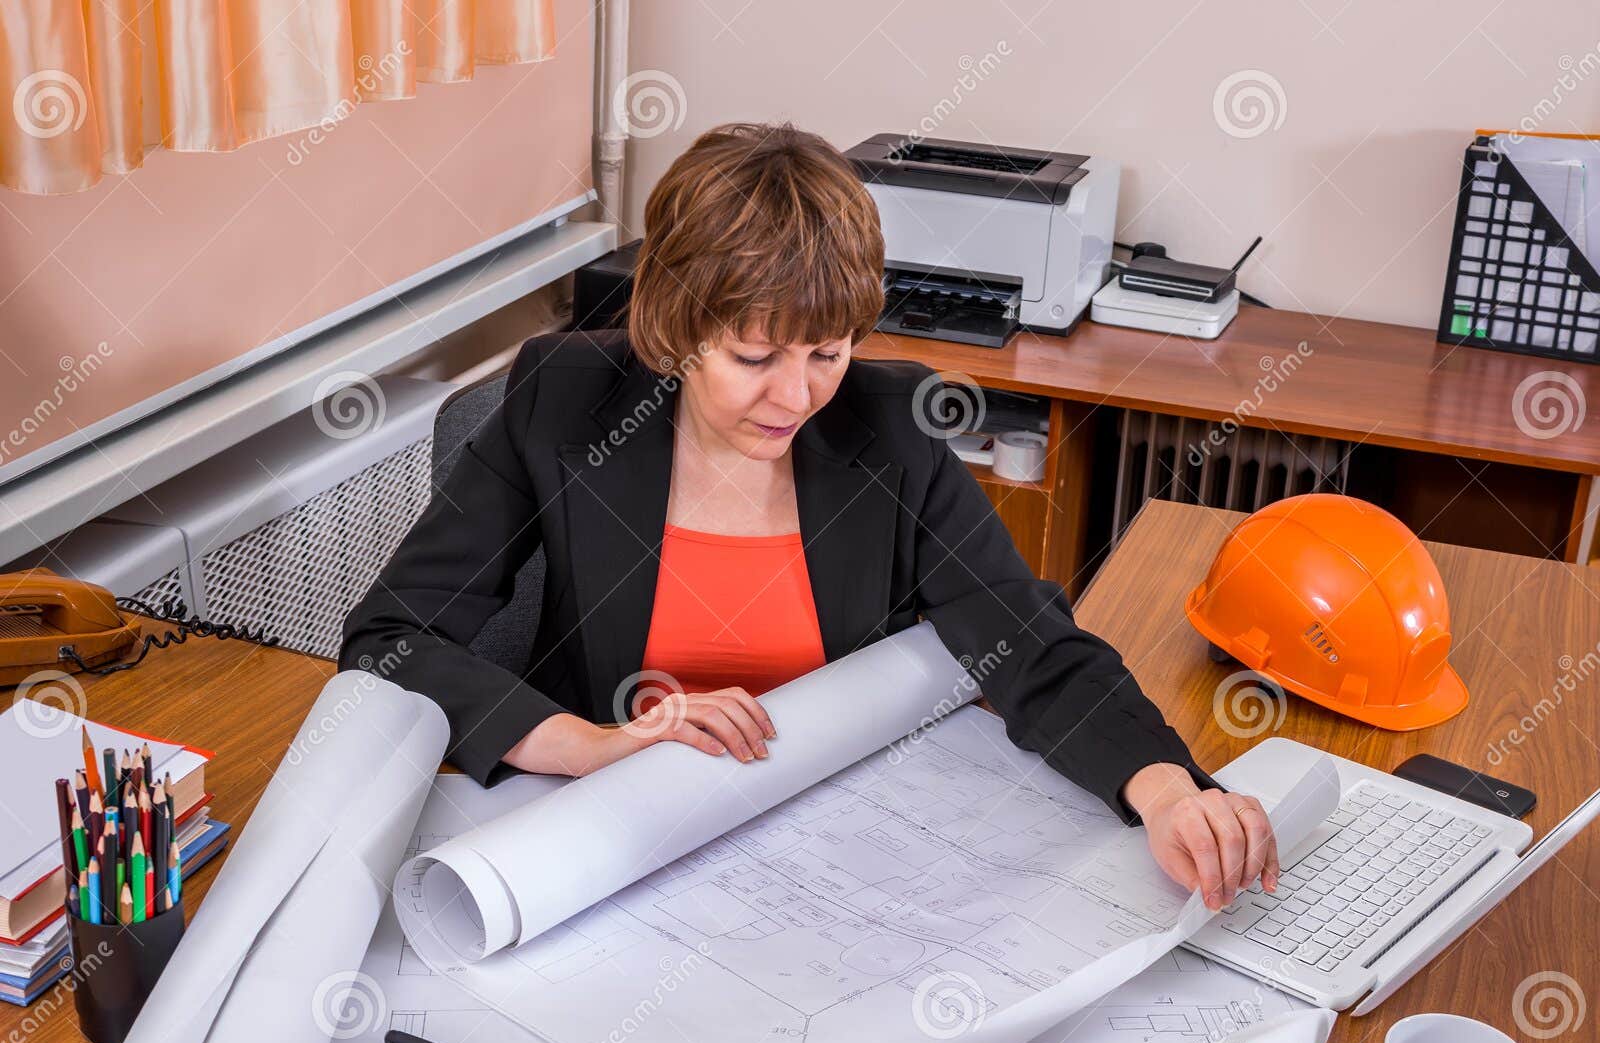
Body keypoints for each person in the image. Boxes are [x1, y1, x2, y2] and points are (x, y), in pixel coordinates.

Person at [340, 122, 1278, 911]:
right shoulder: (564, 398)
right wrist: (591, 744)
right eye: (755, 357)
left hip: (835, 857)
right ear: (677, 326)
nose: (797, 397)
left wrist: (1164, 787)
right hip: (616, 849)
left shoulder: (891, 427)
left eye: (827, 353)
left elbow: (1028, 641)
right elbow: (390, 637)